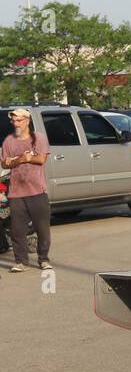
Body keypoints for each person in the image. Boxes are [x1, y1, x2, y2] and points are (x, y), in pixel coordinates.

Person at [1, 108, 52, 272]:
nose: (15, 123)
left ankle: (43, 259)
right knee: (17, 230)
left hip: (37, 191)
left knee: (42, 228)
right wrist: (21, 159)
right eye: (13, 121)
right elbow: (4, 163)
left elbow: (41, 159)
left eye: (18, 120)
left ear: (27, 121)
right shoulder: (9, 141)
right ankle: (21, 262)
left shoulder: (38, 138)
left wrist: (26, 158)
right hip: (16, 192)